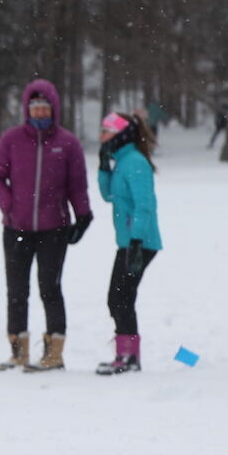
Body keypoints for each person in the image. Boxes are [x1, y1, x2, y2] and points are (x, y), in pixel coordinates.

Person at [0, 79, 92, 371]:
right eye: (35, 107)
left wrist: (83, 215)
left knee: (50, 288)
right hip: (16, 228)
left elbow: (77, 185)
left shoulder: (67, 143)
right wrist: (8, 205)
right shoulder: (11, 139)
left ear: (54, 109)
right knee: (16, 290)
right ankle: (18, 351)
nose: (40, 113)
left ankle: (53, 353)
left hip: (54, 229)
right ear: (27, 109)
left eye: (45, 108)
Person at [94, 112, 162, 374]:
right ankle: (126, 355)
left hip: (140, 242)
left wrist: (135, 241)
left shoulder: (135, 162)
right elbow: (109, 194)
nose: (101, 137)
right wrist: (103, 168)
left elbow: (145, 206)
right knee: (118, 298)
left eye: (106, 131)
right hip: (129, 242)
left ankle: (129, 357)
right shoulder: (122, 161)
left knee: (120, 298)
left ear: (120, 135)